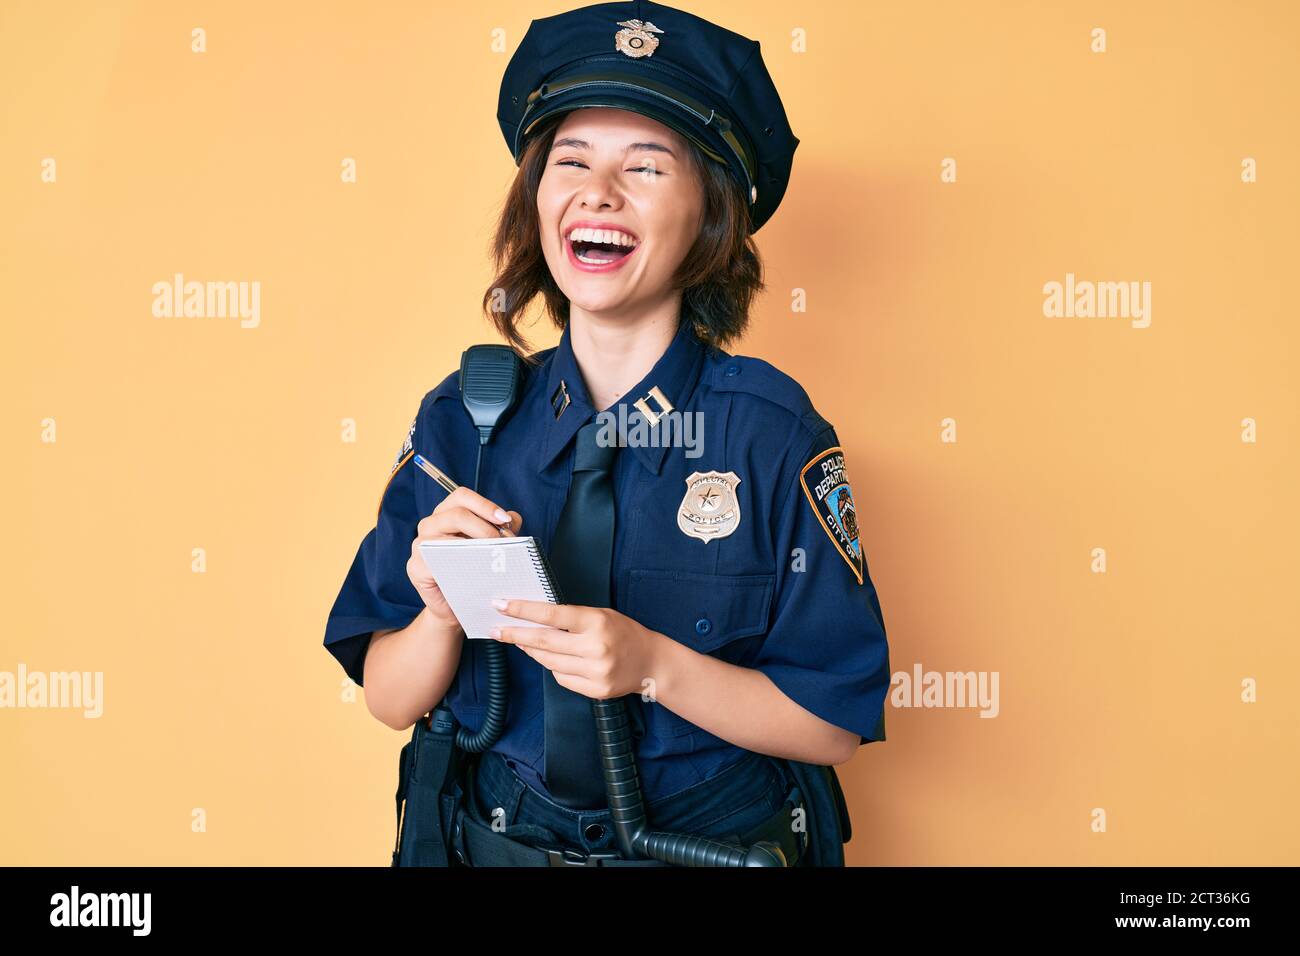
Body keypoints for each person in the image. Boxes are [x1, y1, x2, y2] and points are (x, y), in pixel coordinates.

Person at [323, 0, 891, 867]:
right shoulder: (461, 419)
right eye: (571, 161)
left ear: (709, 213)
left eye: (647, 167)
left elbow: (832, 723)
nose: (598, 192)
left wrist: (652, 664)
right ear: (538, 199)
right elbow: (390, 700)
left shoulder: (772, 433)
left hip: (708, 839)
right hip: (496, 839)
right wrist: (438, 612)